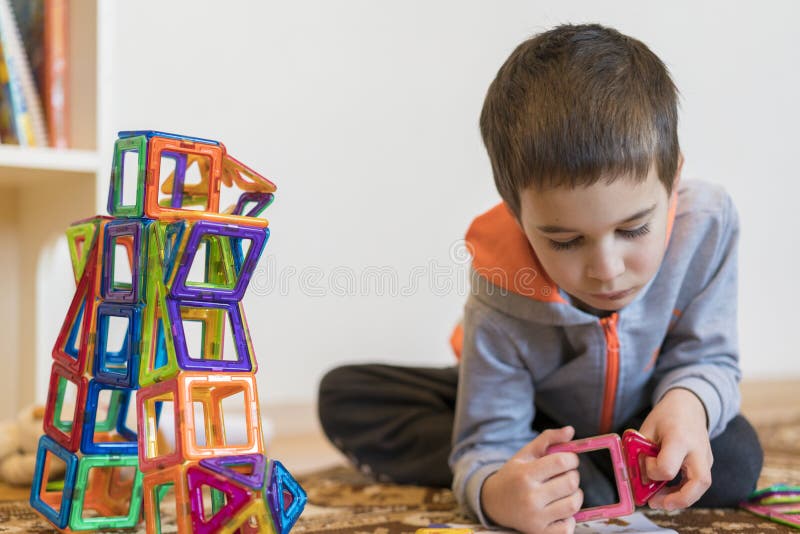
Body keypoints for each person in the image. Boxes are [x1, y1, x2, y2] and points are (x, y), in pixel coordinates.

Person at [318, 23, 763, 533]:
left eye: (634, 228)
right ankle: (558, 477)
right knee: (347, 395)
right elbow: (487, 436)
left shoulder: (707, 226)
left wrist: (687, 404)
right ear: (516, 214)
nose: (606, 269)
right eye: (565, 241)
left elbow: (708, 357)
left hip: (646, 412)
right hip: (534, 412)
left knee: (734, 458)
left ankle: (574, 478)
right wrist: (490, 489)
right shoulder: (501, 290)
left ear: (674, 178)